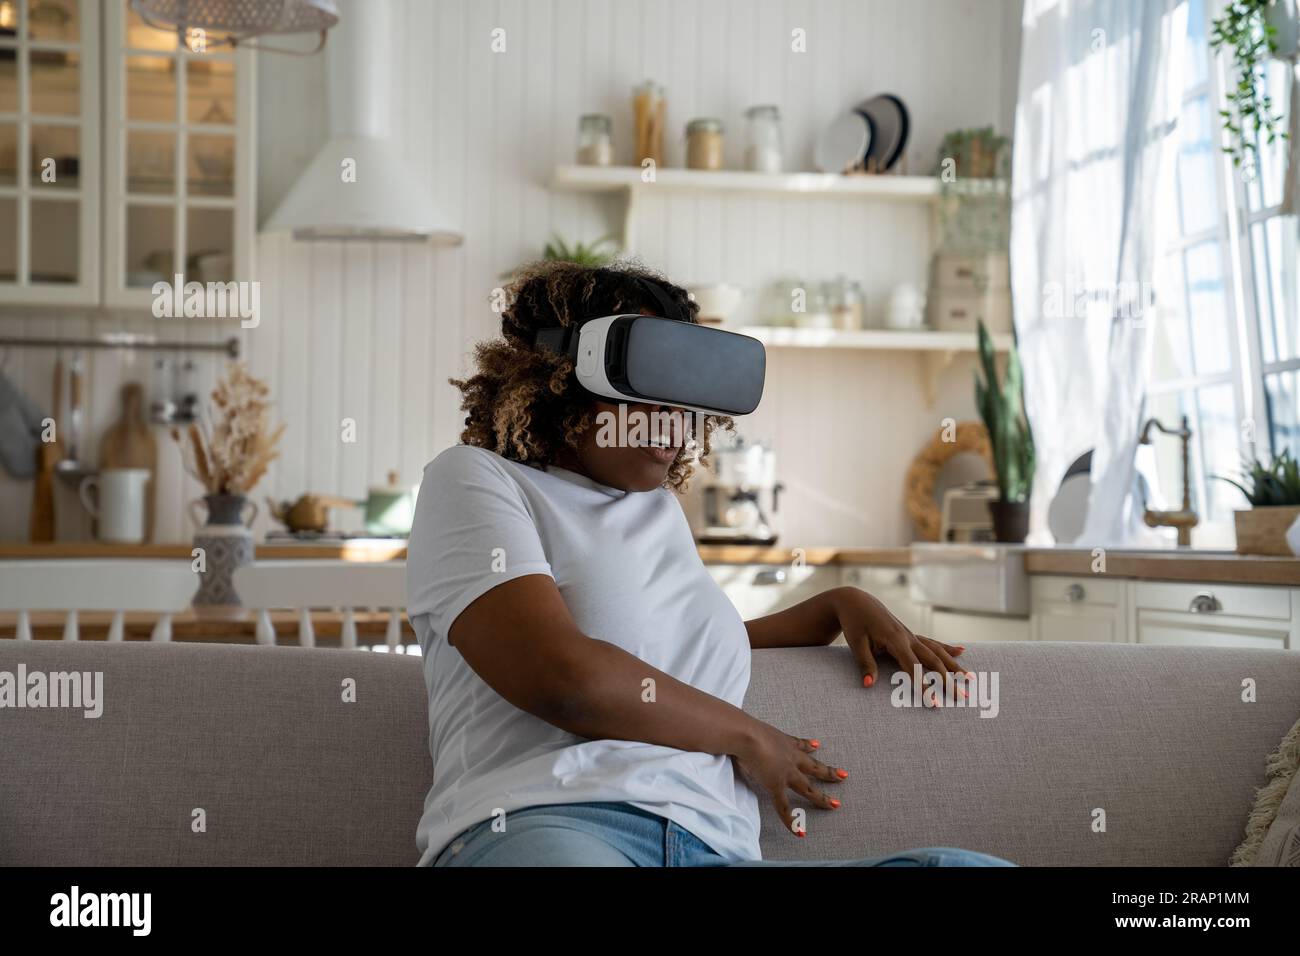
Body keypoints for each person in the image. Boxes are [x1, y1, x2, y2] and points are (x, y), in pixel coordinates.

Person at [405, 260, 1015, 868]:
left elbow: (665, 657)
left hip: (714, 847)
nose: (674, 415)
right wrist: (749, 735)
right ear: (555, 374)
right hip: (553, 825)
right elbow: (563, 677)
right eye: (647, 379)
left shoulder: (656, 511)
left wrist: (838, 603)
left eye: (686, 389)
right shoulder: (474, 481)